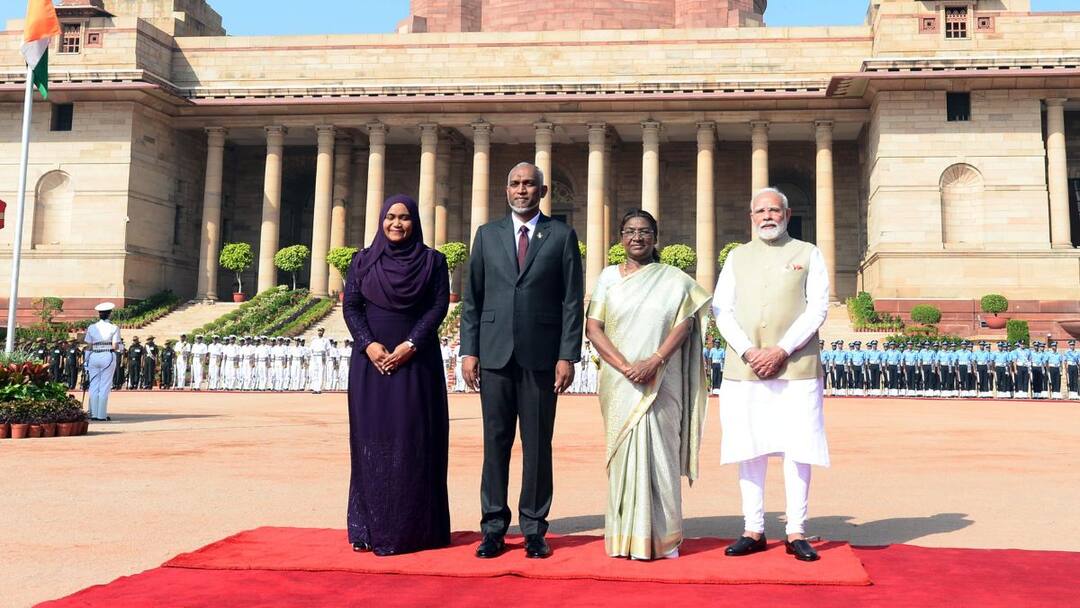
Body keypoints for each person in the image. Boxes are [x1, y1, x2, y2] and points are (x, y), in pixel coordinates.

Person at [460, 162, 585, 560]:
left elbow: (571, 301)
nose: (521, 189)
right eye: (514, 183)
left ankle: (534, 528)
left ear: (542, 191)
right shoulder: (487, 235)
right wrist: (469, 349)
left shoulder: (562, 235)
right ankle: (493, 527)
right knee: (494, 444)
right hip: (494, 354)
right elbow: (473, 299)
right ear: (506, 190)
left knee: (537, 445)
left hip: (542, 356)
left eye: (529, 184)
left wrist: (568, 355)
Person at [586, 209, 710, 560]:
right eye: (629, 231)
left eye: (644, 231)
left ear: (656, 237)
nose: (637, 237)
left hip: (661, 379)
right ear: (620, 237)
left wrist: (654, 361)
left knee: (661, 453)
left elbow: (684, 324)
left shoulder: (675, 279)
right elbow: (594, 327)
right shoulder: (608, 278)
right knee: (623, 455)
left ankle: (664, 537)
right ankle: (626, 536)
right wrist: (626, 366)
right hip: (619, 381)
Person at [713, 187, 829, 563]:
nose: (767, 216)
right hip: (745, 366)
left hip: (796, 365)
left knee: (799, 447)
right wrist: (750, 350)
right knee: (750, 446)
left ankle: (796, 530)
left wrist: (781, 349)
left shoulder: (808, 253)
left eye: (774, 210)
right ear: (751, 217)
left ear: (787, 213)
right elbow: (721, 310)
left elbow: (818, 308)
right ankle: (754, 528)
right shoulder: (736, 257)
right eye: (760, 211)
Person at [343, 194, 451, 556]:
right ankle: (370, 527)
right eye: (390, 217)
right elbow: (352, 306)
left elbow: (438, 305)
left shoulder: (433, 262)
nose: (397, 224)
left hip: (416, 363)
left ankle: (416, 528)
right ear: (381, 220)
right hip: (371, 364)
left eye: (404, 217)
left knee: (414, 441)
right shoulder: (362, 261)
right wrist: (368, 344)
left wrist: (411, 344)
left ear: (415, 222)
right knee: (371, 442)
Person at [84, 302, 121, 421]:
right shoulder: (114, 327)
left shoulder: (91, 327)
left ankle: (94, 414)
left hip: (93, 355)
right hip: (107, 355)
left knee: (94, 385)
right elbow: (115, 346)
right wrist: (122, 348)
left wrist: (86, 361)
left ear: (99, 314)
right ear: (110, 314)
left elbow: (88, 346)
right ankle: (101, 415)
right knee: (105, 385)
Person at [309, 328, 328, 394]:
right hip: (315, 356)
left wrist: (326, 358)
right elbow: (311, 350)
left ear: (323, 332)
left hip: (321, 356)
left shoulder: (325, 340)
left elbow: (328, 350)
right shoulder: (314, 340)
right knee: (315, 372)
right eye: (319, 331)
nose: (320, 332)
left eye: (321, 331)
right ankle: (315, 388)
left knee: (320, 372)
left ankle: (319, 388)